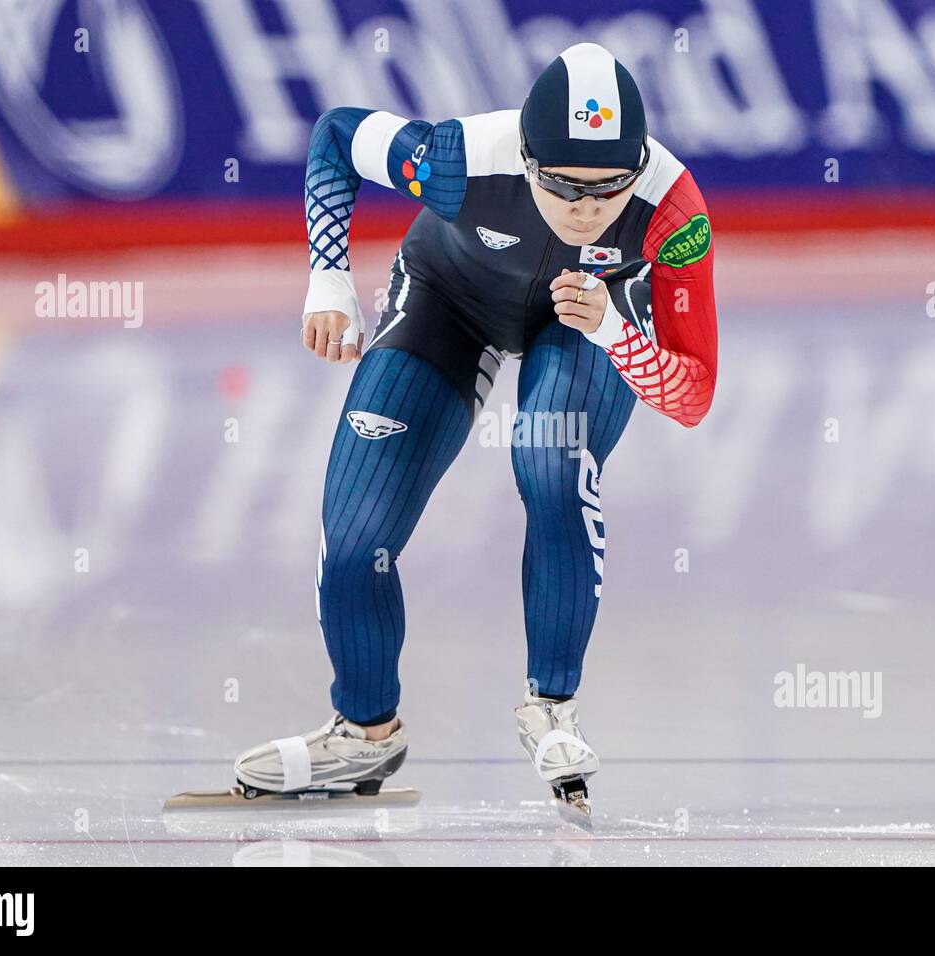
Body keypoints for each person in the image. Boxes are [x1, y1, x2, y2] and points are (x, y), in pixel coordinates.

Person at [234, 42, 718, 816]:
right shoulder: (459, 158)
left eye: (608, 190)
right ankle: (365, 731)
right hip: (449, 300)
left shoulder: (672, 210)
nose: (589, 209)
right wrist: (328, 276)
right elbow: (334, 135)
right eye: (564, 186)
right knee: (357, 536)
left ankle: (552, 708)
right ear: (526, 161)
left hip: (587, 321)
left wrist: (617, 337)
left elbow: (693, 394)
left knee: (549, 459)